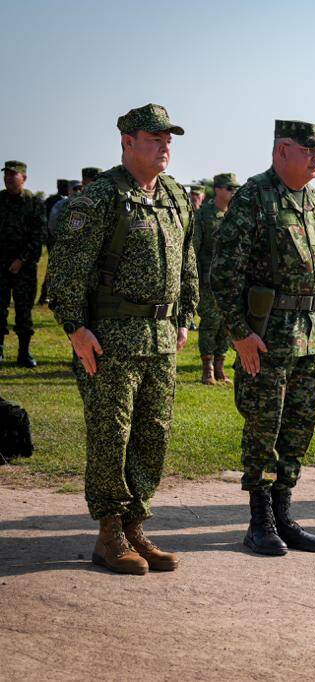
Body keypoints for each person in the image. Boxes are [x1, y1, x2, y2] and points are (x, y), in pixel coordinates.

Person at [47, 103, 198, 576]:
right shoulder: (98, 199)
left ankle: (135, 525)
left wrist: (186, 316)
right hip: (109, 340)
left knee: (152, 434)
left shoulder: (174, 194)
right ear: (127, 141)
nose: (164, 145)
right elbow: (65, 274)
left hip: (159, 339)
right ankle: (109, 532)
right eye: (154, 138)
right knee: (112, 435)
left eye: (168, 138)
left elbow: (187, 261)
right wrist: (76, 329)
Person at [210, 120, 315, 557]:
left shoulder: (313, 200)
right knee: (264, 428)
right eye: (309, 150)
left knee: (298, 429)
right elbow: (223, 276)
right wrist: (240, 334)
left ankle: (283, 514)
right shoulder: (253, 198)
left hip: (307, 338)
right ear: (282, 149)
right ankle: (259, 520)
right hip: (266, 339)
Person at [193, 172, 240, 385]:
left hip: (231, 282)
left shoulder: (237, 215)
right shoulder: (203, 215)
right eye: (230, 188)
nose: (233, 192)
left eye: (235, 189)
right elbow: (194, 249)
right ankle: (207, 368)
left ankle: (221, 367)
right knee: (210, 322)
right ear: (218, 189)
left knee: (226, 324)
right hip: (209, 281)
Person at [0, 160, 45, 367]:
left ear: (24, 178)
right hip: (0, 265)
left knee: (24, 310)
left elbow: (38, 236)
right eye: (6, 174)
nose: (9, 178)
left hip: (24, 268)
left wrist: (22, 260)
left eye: (13, 174)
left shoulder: (34, 203)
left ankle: (24, 353)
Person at [42, 167, 103, 305]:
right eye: (91, 181)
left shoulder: (106, 202)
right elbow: (53, 225)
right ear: (84, 182)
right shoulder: (71, 203)